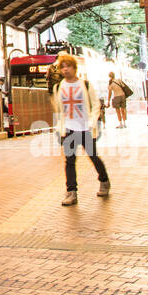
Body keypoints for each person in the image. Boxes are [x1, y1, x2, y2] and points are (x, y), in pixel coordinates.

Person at [51, 53, 109, 206]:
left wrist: (91, 122)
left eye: (68, 66)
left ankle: (104, 180)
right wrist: (59, 128)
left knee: (93, 157)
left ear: (74, 68)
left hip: (85, 128)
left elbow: (96, 104)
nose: (65, 70)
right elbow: (58, 109)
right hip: (68, 128)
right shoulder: (58, 87)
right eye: (62, 67)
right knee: (69, 161)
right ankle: (71, 192)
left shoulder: (86, 85)